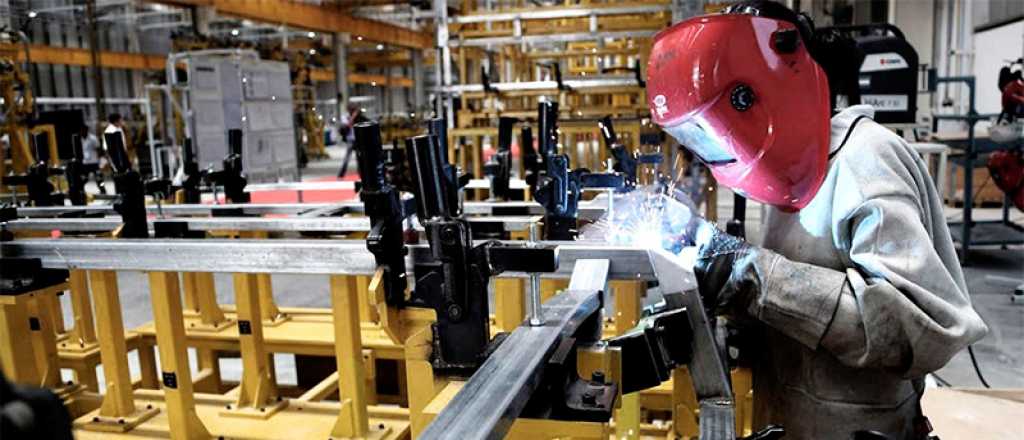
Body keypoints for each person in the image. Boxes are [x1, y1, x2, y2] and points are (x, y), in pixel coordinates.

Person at [645, 2, 988, 438]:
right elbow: (801, 301)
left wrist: (752, 273)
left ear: (762, 94)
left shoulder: (866, 160)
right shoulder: (792, 170)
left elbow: (915, 331)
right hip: (788, 422)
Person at [337, 103, 368, 178]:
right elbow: (347, 125)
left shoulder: (358, 116)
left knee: (359, 157)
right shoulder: (345, 117)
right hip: (350, 139)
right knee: (347, 158)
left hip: (358, 139)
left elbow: (365, 122)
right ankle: (342, 173)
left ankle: (361, 173)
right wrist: (353, 117)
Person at [78, 125, 106, 194]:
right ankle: (81, 190)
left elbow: (98, 149)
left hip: (94, 161)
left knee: (98, 177)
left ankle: (102, 190)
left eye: (84, 130)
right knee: (84, 178)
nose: (82, 132)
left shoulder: (93, 138)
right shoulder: (80, 139)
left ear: (87, 130)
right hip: (85, 162)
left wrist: (100, 160)